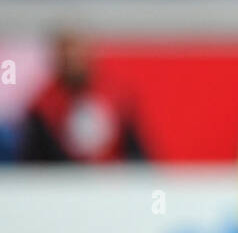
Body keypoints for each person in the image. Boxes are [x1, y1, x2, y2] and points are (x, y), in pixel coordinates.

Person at [20, 29, 148, 163]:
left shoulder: (117, 95)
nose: (72, 59)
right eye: (66, 52)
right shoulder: (43, 106)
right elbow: (35, 163)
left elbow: (137, 156)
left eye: (76, 51)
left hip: (114, 179)